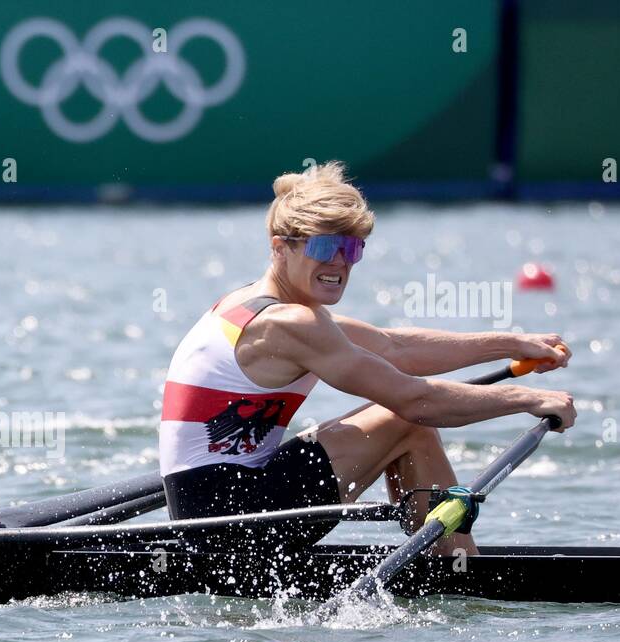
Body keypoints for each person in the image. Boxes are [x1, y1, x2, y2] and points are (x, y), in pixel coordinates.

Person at [159, 161, 574, 555]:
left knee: (402, 419)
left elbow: (397, 348)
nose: (338, 263)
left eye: (351, 248)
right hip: (227, 525)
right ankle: (457, 569)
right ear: (280, 248)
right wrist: (527, 399)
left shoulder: (253, 304)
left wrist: (513, 344)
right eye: (324, 246)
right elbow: (416, 400)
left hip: (216, 509)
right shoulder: (288, 322)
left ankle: (447, 561)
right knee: (406, 419)